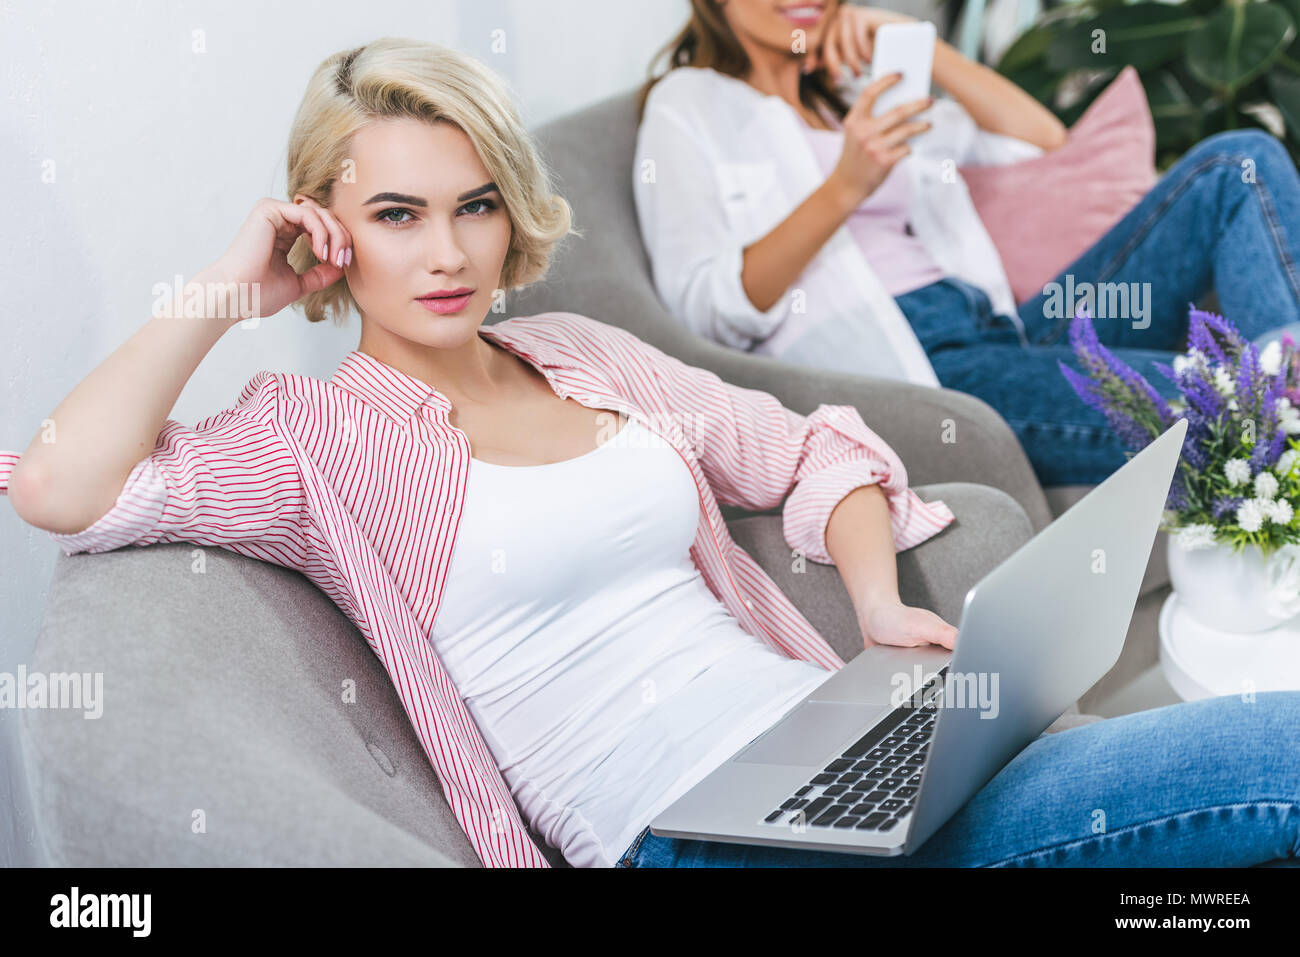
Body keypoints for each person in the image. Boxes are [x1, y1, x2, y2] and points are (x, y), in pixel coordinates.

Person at [3, 37, 1296, 870]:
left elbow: (809, 450)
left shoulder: (583, 354)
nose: (447, 254)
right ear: (327, 237)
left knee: (1237, 769)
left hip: (828, 749)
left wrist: (879, 602)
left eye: (473, 208)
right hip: (682, 833)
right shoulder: (309, 443)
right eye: (396, 215)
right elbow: (61, 485)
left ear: (512, 220)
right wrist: (233, 287)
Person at [632, 0, 1300, 486]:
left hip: (1005, 329)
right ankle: (1284, 403)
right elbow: (703, 307)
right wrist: (845, 185)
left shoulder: (860, 92)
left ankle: (1291, 376)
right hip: (926, 373)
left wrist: (923, 46)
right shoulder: (687, 106)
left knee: (1235, 166)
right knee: (1231, 407)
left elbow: (1039, 145)